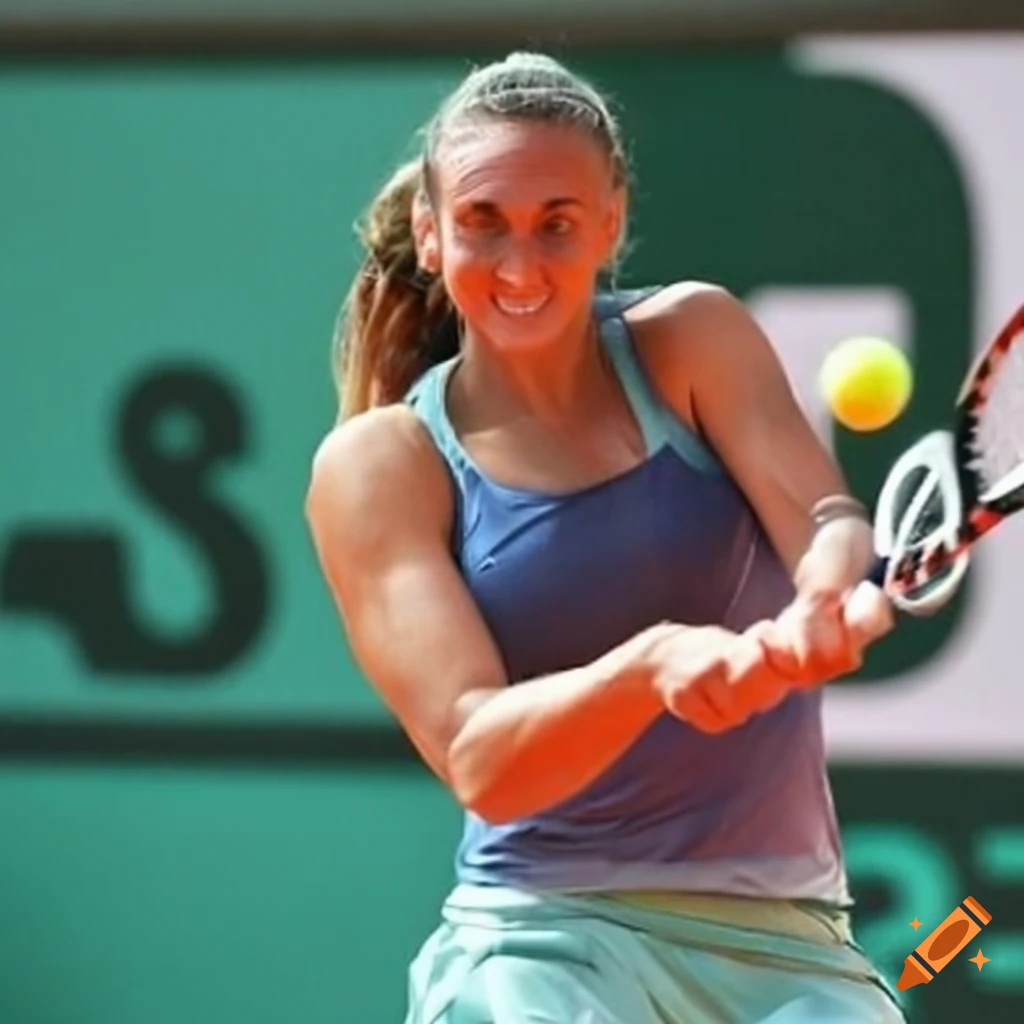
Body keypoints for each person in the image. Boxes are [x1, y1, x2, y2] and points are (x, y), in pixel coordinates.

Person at [307, 51, 906, 1024]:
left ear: (611, 222)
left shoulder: (694, 338)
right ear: (428, 230)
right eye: (482, 222)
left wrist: (828, 591)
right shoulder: (379, 465)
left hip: (788, 942)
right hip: (539, 940)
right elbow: (479, 756)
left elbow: (825, 522)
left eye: (557, 224)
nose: (519, 264)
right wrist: (650, 667)